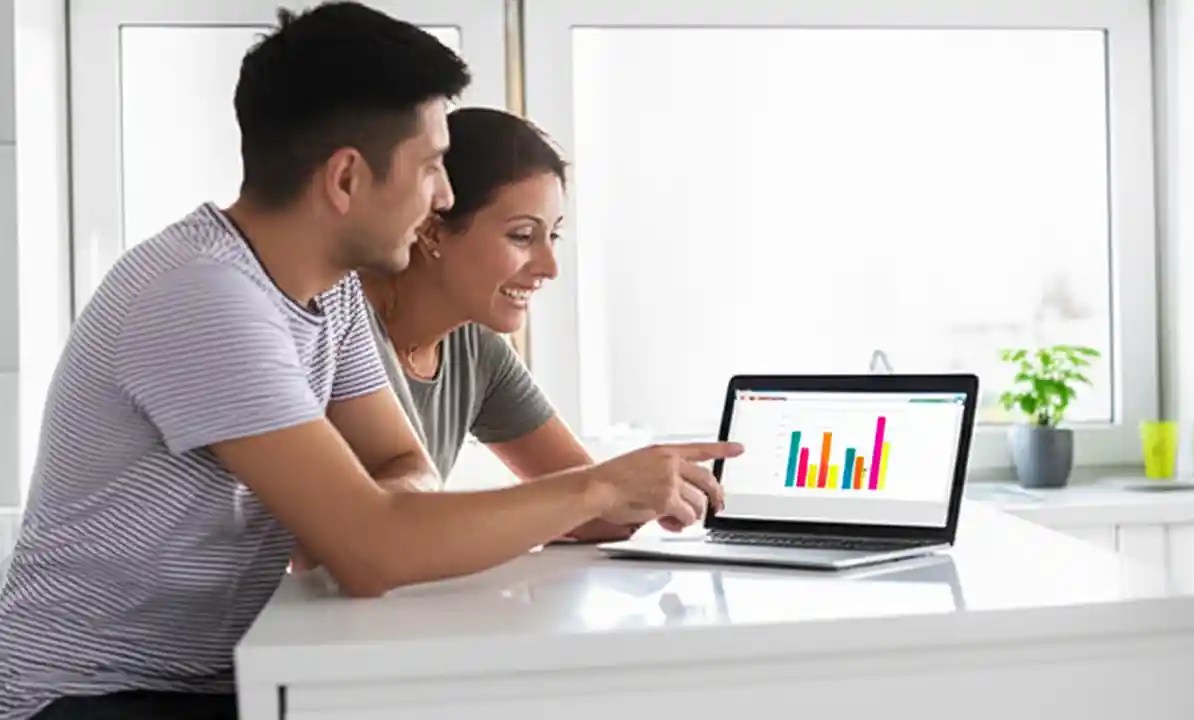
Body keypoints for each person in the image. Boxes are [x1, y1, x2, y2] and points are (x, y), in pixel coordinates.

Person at [0, 4, 740, 719]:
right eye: (432, 167)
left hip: (218, 680)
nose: (443, 195)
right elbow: (370, 551)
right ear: (347, 178)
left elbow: (397, 464)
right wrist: (596, 486)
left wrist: (384, 518)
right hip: (87, 694)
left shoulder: (329, 294)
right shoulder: (202, 296)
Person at [360, 107, 635, 542]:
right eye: (522, 236)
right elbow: (381, 531)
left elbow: (598, 514)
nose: (549, 268)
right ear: (432, 231)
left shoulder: (474, 344)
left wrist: (651, 482)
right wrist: (598, 492)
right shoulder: (339, 330)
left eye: (553, 236)